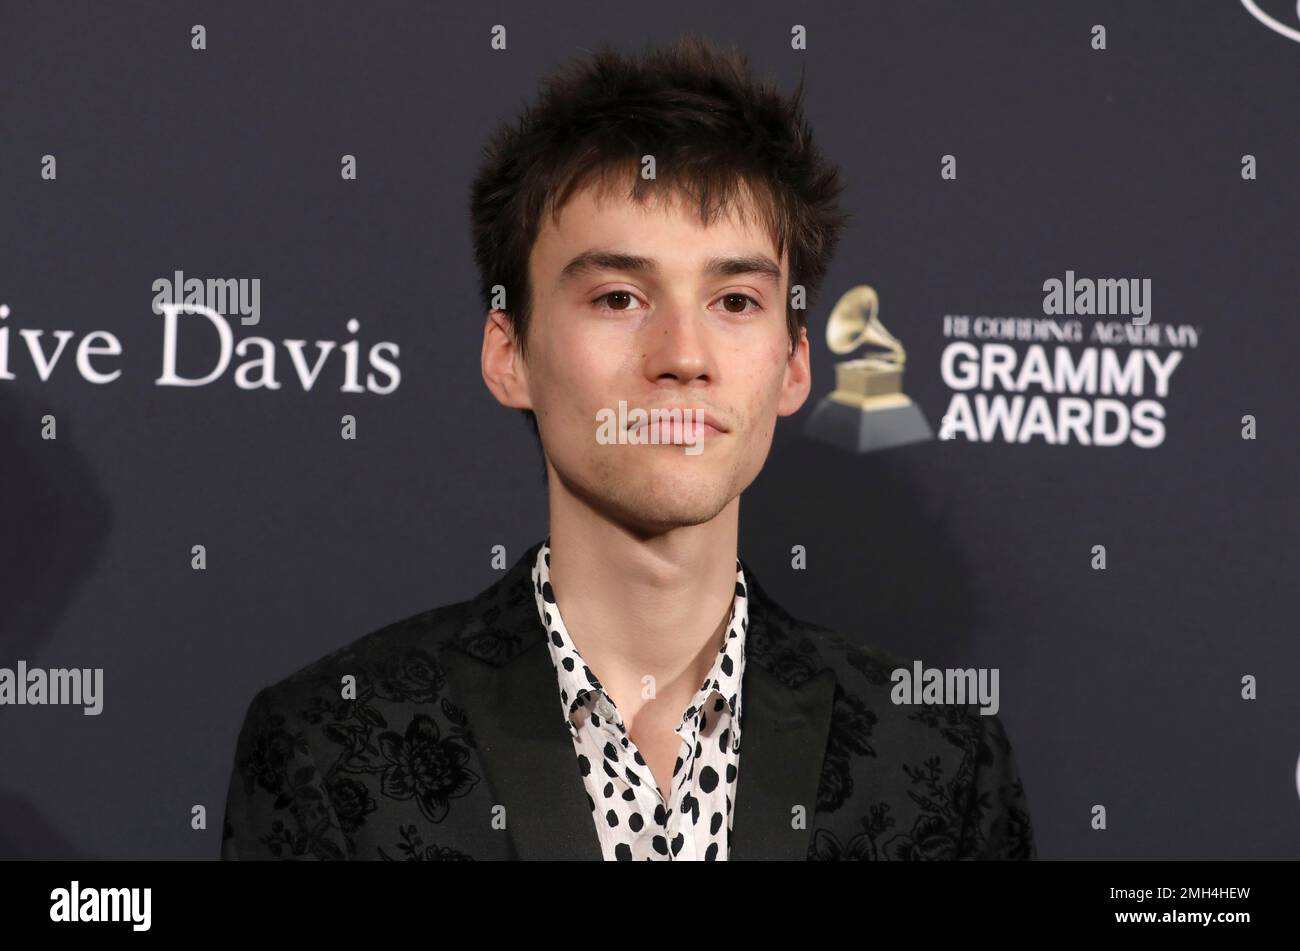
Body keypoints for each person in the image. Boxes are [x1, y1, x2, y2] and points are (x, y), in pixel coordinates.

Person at [220, 32, 1035, 861]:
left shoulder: (939, 763)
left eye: (736, 300)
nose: (683, 355)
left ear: (794, 366)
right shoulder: (330, 745)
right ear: (509, 355)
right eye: (618, 297)